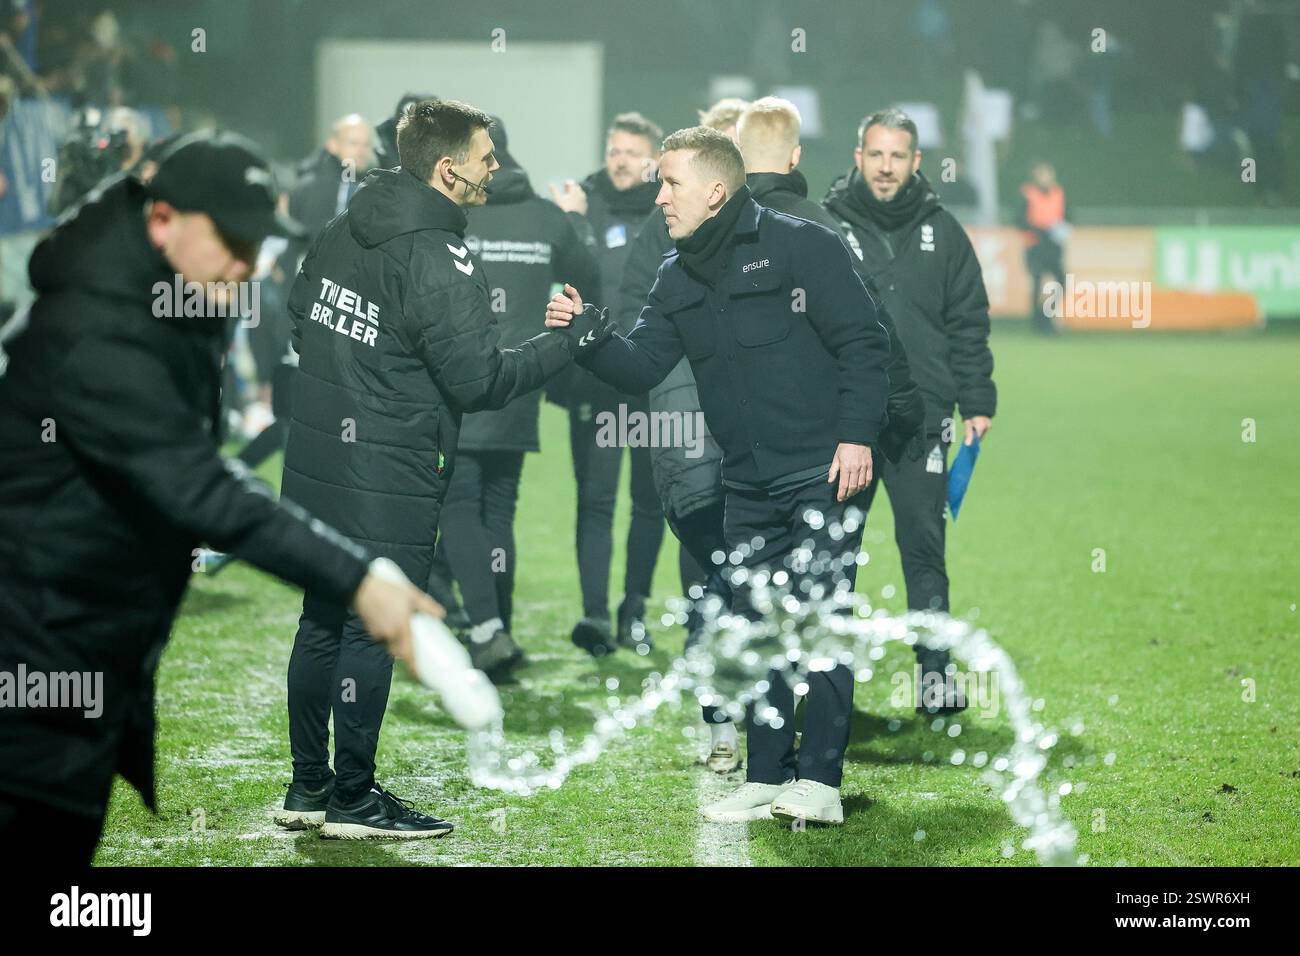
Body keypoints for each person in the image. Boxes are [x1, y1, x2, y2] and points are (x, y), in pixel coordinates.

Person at [0, 130, 441, 868]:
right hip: (30, 663)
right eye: (229, 241)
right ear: (163, 219)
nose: (244, 266)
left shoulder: (164, 302)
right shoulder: (100, 330)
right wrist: (360, 579)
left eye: (256, 245)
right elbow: (201, 487)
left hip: (81, 653)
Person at [547, 126, 919, 826]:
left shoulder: (800, 245)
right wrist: (587, 334)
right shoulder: (676, 273)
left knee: (816, 619)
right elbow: (642, 366)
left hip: (824, 469)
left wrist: (855, 438)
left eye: (671, 183)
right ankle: (765, 773)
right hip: (745, 484)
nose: (660, 197)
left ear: (716, 189)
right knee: (753, 628)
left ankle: (821, 782)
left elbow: (864, 345)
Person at [278, 99, 598, 839]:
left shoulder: (342, 223)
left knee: (323, 618)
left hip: (319, 457)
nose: (496, 166)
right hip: (388, 468)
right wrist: (567, 345)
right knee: (371, 628)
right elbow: (478, 381)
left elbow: (301, 316)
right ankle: (353, 799)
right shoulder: (436, 252)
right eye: (486, 156)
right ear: (448, 170)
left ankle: (307, 786)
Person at [822, 108, 997, 705]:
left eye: (898, 156)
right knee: (834, 554)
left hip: (922, 422)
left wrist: (977, 397)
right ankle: (825, 684)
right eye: (876, 155)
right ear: (858, 156)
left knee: (925, 549)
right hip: (848, 425)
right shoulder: (826, 224)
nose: (886, 167)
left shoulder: (944, 231)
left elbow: (967, 321)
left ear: (915, 162)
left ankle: (935, 678)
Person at [437, 115, 599, 677]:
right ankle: (499, 632)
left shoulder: (452, 215)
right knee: (498, 511)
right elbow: (590, 280)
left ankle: (487, 630)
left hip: (458, 382)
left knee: (458, 506)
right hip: (521, 382)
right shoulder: (547, 218)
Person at [612, 99, 745, 770]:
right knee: (707, 570)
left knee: (756, 577)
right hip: (689, 425)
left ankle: (763, 714)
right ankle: (722, 718)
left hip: (751, 435)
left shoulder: (773, 234)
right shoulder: (660, 234)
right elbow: (639, 327)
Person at [547, 112, 667, 656]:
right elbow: (565, 272)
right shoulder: (581, 206)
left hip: (650, 379)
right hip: (594, 380)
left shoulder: (670, 209)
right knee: (594, 501)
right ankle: (595, 615)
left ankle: (633, 611)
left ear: (654, 161)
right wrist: (572, 221)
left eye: (632, 152)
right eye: (614, 150)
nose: (619, 160)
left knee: (649, 501)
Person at [1015, 160, 1068, 332]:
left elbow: (1068, 216)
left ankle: (1047, 315)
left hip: (1053, 246)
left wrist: (1062, 229)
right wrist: (1040, 231)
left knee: (1062, 281)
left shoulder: (1058, 193)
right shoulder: (1027, 194)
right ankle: (1036, 320)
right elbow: (1019, 220)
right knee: (1037, 282)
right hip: (1035, 246)